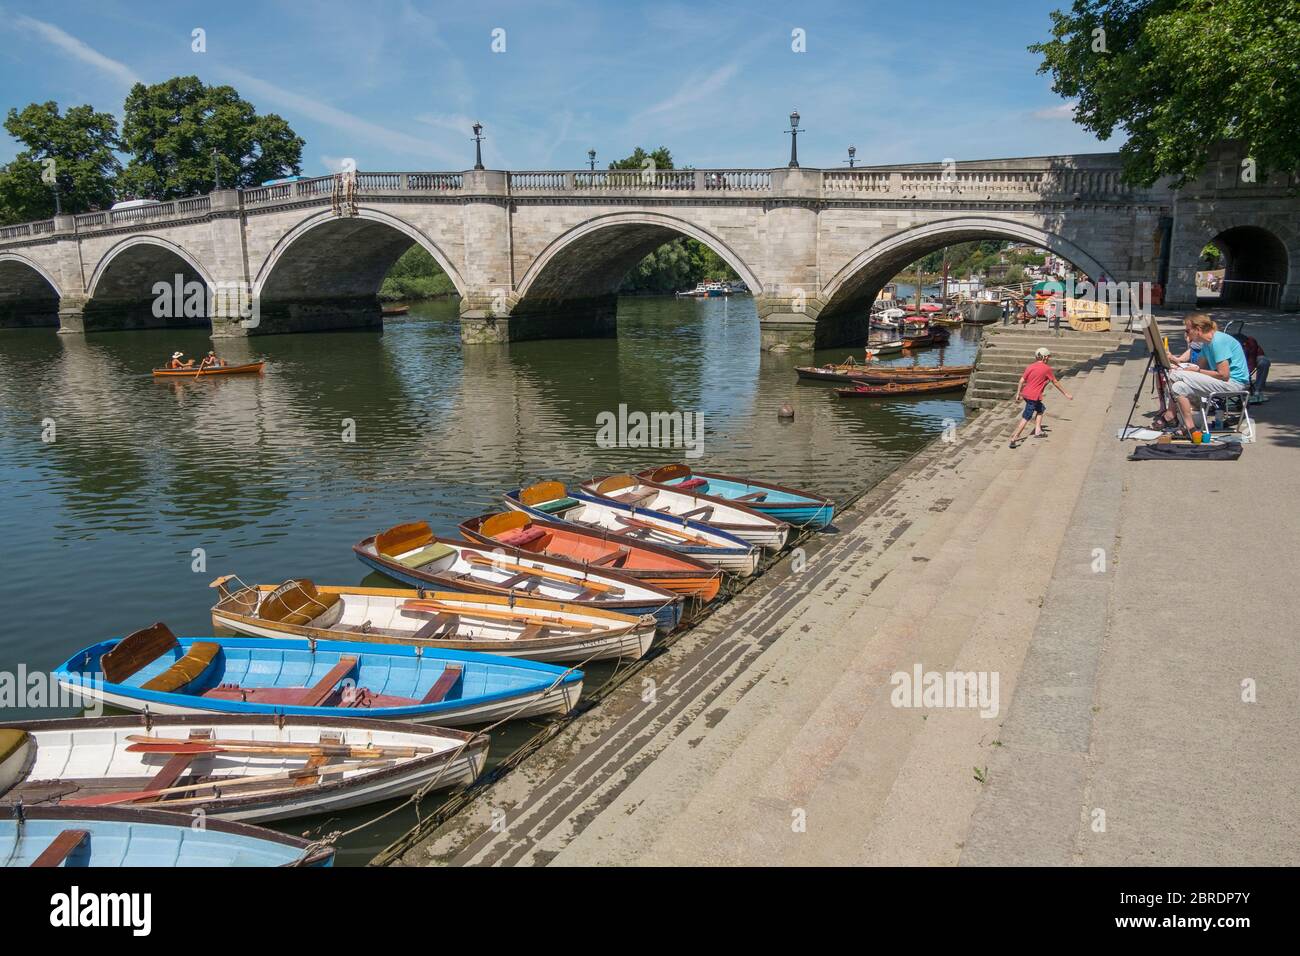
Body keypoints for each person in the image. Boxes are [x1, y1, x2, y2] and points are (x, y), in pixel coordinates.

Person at [1154, 314, 1250, 434]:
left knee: (1174, 375)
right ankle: (1190, 428)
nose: (1186, 334)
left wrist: (1194, 371)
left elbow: (1224, 375)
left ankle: (1170, 415)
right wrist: (1176, 363)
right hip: (1224, 381)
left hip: (1234, 383)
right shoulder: (1207, 343)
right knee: (1178, 386)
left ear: (1198, 330)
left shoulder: (1217, 342)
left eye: (1187, 331)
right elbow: (1198, 366)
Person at [1009, 347, 1073, 448]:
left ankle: (1038, 430)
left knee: (1041, 409)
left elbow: (1021, 381)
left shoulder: (1030, 366)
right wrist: (1066, 394)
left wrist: (1018, 393)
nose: (1048, 359)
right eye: (1048, 357)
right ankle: (1014, 438)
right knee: (1026, 417)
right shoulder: (1046, 369)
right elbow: (1055, 382)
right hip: (1033, 397)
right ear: (1044, 357)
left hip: (1026, 394)